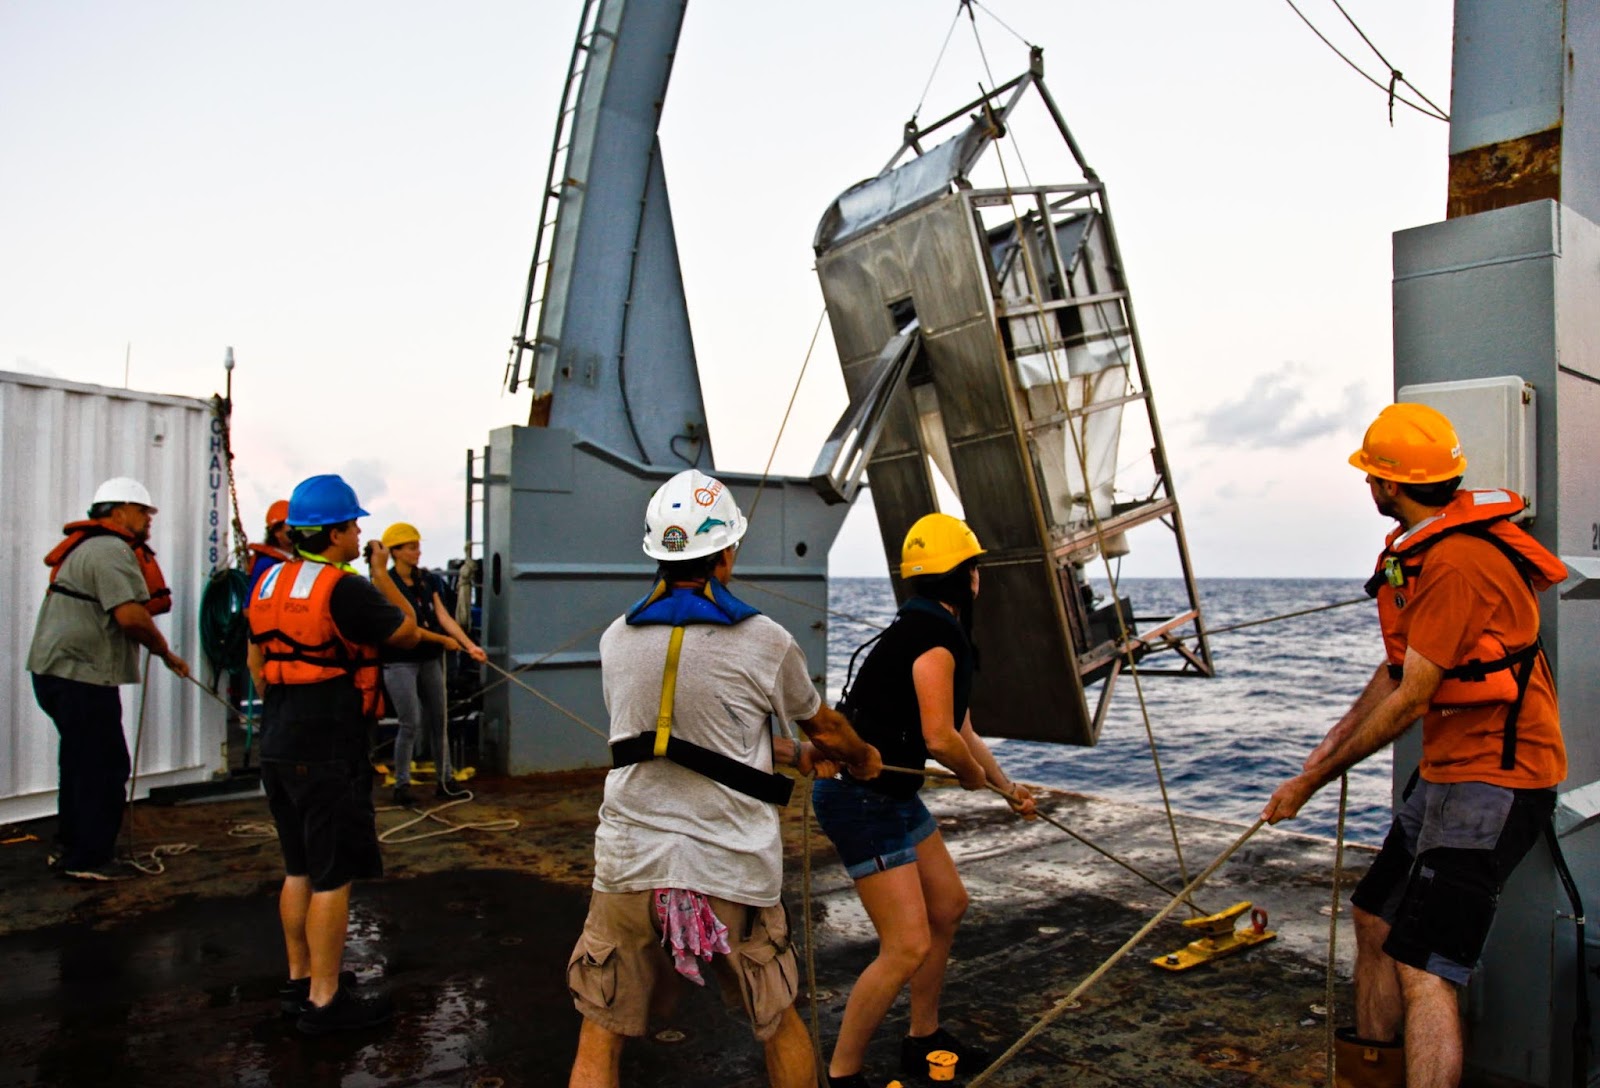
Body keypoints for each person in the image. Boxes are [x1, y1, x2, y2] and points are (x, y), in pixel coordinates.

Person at [1263, 403, 1567, 1088]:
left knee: (1425, 968)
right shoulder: (1420, 551)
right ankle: (1370, 1071)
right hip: (1447, 771)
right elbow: (1398, 668)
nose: (1367, 487)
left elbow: (1413, 696)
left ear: (1388, 486)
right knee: (1375, 917)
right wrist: (1326, 749)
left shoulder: (1457, 562)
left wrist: (1308, 785)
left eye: (1371, 476)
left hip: (1496, 780)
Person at [566, 469, 883, 1088]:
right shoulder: (765, 640)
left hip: (629, 862)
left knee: (599, 1030)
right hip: (729, 868)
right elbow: (827, 729)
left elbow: (672, 734)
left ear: (657, 552)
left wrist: (783, 753)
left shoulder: (614, 640)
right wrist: (862, 758)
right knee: (778, 1022)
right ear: (728, 552)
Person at [812, 512, 1036, 1088]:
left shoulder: (926, 628)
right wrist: (966, 776)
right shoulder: (936, 640)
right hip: (860, 799)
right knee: (906, 944)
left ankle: (923, 1038)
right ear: (967, 578)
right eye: (976, 568)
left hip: (891, 793)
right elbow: (942, 740)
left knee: (948, 906)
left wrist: (1005, 788)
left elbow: (962, 727)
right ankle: (843, 1075)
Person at [247, 474, 422, 1034]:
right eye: (353, 526)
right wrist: (378, 574)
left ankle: (301, 981)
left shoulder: (269, 580)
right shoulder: (343, 588)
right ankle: (326, 1002)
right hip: (326, 748)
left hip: (276, 740)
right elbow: (408, 632)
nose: (358, 533)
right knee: (331, 876)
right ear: (334, 532)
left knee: (297, 866)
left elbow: (257, 668)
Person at [27, 476, 191, 882]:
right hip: (81, 675)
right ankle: (90, 858)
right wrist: (165, 652)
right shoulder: (111, 549)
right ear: (118, 512)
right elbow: (131, 616)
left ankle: (71, 846)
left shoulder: (88, 547)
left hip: (58, 672)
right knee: (105, 766)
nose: (148, 520)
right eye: (143, 512)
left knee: (80, 761)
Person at [376, 522, 487, 805]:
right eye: (412, 547)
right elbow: (408, 626)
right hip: (400, 661)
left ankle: (445, 781)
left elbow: (444, 617)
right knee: (410, 722)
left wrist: (469, 645)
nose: (418, 552)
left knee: (440, 720)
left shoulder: (429, 581)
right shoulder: (386, 584)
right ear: (396, 552)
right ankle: (402, 785)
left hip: (428, 660)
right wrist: (442, 641)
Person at [246, 499, 295, 594]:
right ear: (277, 532)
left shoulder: (300, 558)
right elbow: (250, 604)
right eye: (291, 525)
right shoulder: (267, 564)